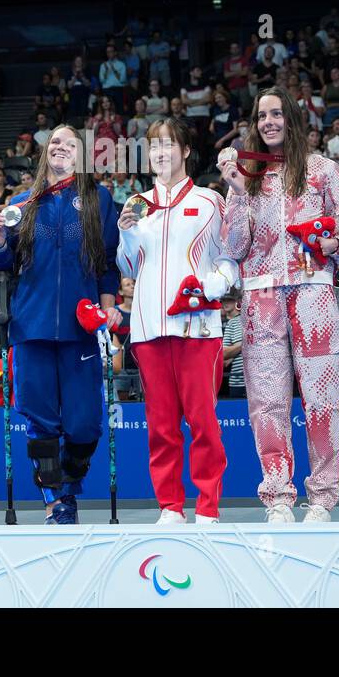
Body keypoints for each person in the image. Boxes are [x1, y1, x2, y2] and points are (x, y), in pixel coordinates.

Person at [219, 87, 339, 524]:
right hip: (260, 297)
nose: (269, 122)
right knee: (267, 402)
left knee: (322, 400)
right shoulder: (247, 174)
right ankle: (278, 496)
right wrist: (238, 192)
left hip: (313, 291)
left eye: (277, 113)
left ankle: (321, 499)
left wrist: (330, 243)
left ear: (293, 119)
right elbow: (234, 246)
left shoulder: (323, 170)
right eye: (262, 115)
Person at [0, 124, 121, 525]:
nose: (60, 147)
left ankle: (69, 484)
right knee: (40, 420)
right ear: (45, 152)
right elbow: (4, 267)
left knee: (85, 425)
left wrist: (107, 311)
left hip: (81, 326)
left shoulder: (98, 198)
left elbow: (107, 262)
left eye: (69, 143)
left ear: (82, 155)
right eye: (54, 142)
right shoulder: (21, 204)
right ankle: (56, 502)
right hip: (32, 325)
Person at [116, 117, 237, 525]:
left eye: (168, 144)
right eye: (154, 146)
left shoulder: (209, 201)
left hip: (198, 326)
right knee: (161, 425)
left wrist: (213, 286)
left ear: (185, 151)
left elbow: (229, 257)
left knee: (203, 421)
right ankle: (170, 506)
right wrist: (127, 233)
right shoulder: (137, 204)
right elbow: (128, 266)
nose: (160, 152)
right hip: (149, 328)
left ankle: (207, 507)